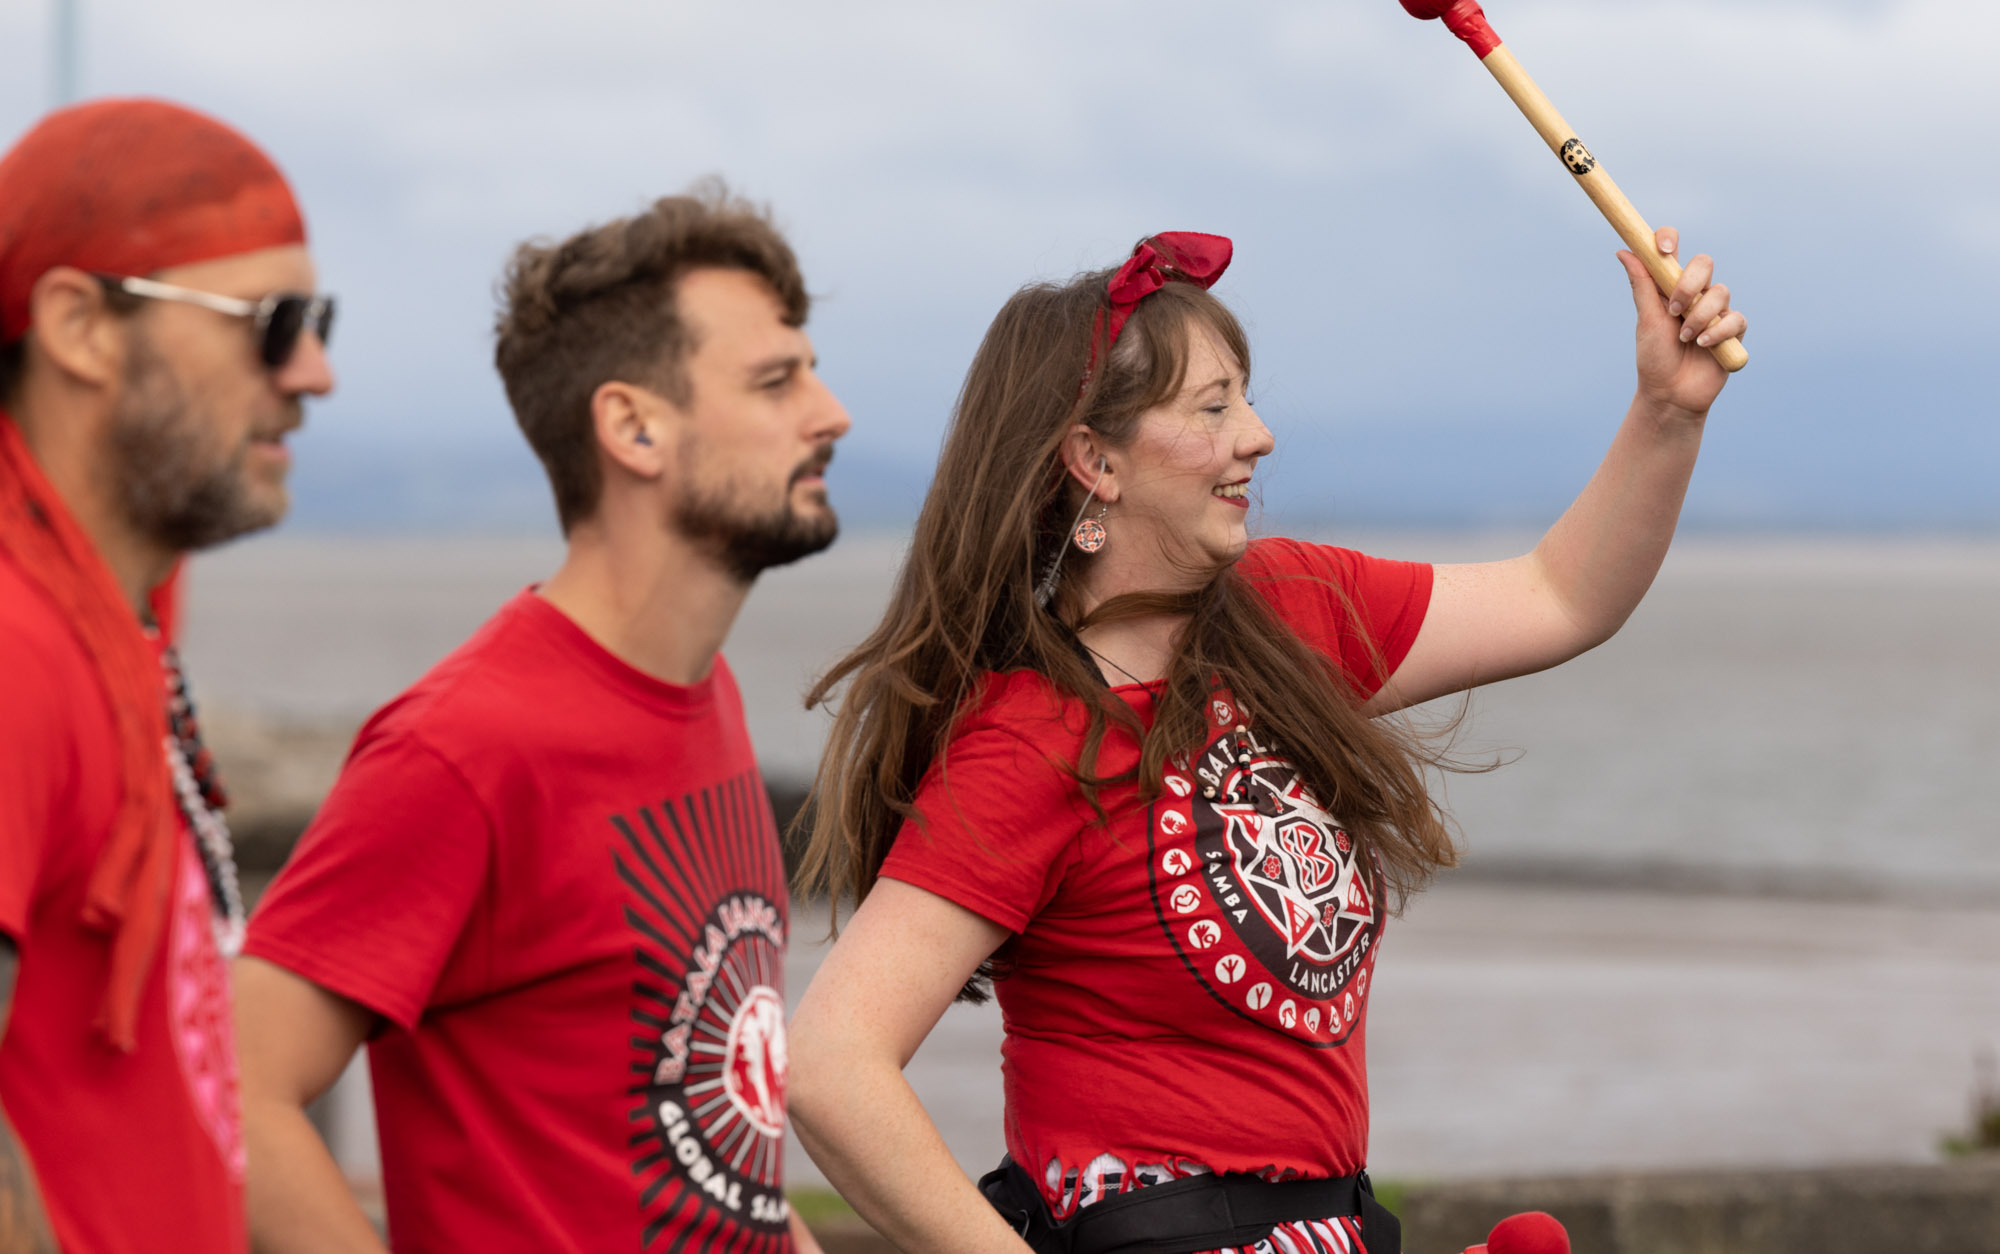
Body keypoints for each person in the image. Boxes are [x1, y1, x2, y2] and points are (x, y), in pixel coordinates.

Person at [786, 227, 1746, 1253]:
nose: (1256, 434)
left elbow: (1560, 595)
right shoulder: (1031, 740)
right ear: (1093, 461)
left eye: (1242, 397)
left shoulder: (1288, 609)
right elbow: (830, 1064)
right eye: (1212, 408)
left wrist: (1664, 411)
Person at [234, 188, 848, 1253]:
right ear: (632, 426)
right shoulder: (463, 746)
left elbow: (694, 1121)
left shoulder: (707, 690)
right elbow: (240, 1088)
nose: (828, 410)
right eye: (775, 378)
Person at [0, 97, 335, 1253]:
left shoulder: (109, 634)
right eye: (272, 321)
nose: (316, 372)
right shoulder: (18, 654)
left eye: (320, 318)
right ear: (80, 327)